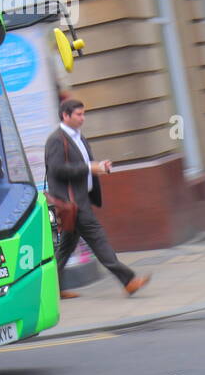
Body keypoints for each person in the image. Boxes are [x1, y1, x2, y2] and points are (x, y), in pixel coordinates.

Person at [45, 99, 150, 298]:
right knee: (98, 239)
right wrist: (89, 168)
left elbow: (84, 164)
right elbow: (57, 169)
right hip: (72, 202)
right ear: (65, 116)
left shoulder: (78, 137)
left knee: (65, 248)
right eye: (78, 115)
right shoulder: (56, 140)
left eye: (83, 114)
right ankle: (128, 281)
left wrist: (99, 166)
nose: (82, 118)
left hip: (80, 199)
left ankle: (52, 290)